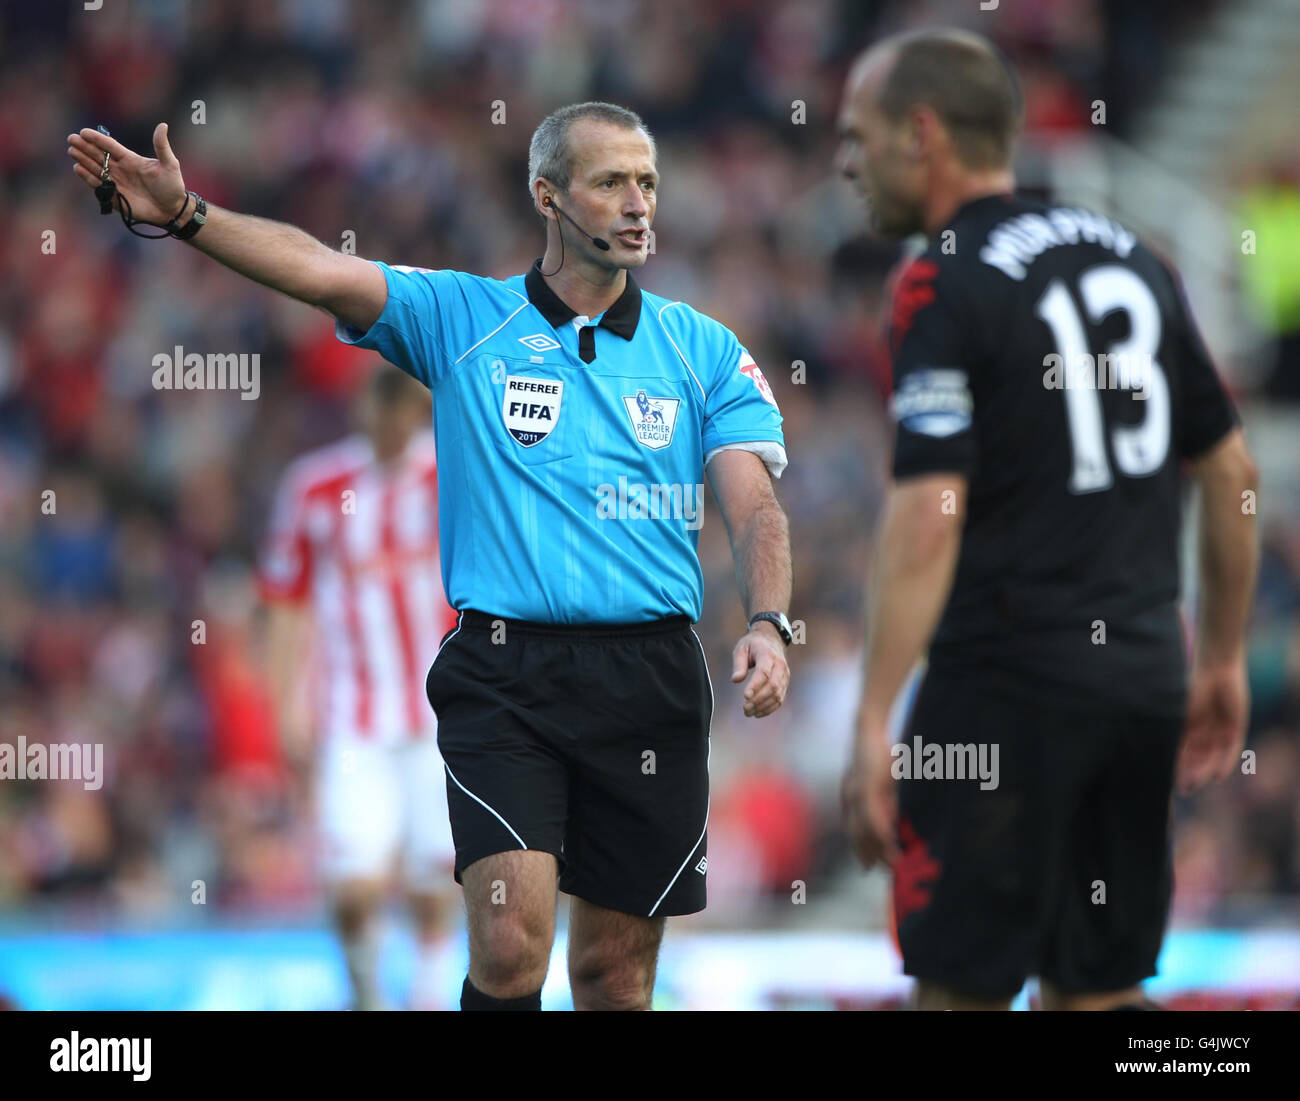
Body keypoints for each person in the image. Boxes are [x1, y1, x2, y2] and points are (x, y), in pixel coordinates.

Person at [68, 100, 793, 1011]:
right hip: (505, 673)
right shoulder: (465, 319)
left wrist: (769, 618)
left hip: (649, 676)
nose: (638, 202)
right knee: (510, 944)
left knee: (614, 975)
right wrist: (187, 216)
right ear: (549, 195)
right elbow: (324, 271)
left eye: (648, 181)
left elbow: (754, 503)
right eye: (611, 181)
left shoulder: (704, 350)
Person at [834, 29, 1259, 1011]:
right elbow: (1232, 469)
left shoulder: (940, 276)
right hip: (1141, 680)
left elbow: (929, 511)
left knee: (959, 992)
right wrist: (1222, 659)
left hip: (1004, 691)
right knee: (1098, 995)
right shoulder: (1133, 257)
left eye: (859, 135)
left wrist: (871, 719)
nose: (846, 161)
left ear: (922, 134)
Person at [260, 365, 460, 1010]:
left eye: (404, 416)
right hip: (353, 714)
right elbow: (286, 601)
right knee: (353, 886)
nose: (392, 430)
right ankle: (365, 989)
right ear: (363, 413)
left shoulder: (451, 474)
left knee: (438, 874)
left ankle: (429, 994)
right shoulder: (317, 487)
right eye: (382, 416)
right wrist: (288, 703)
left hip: (442, 715)